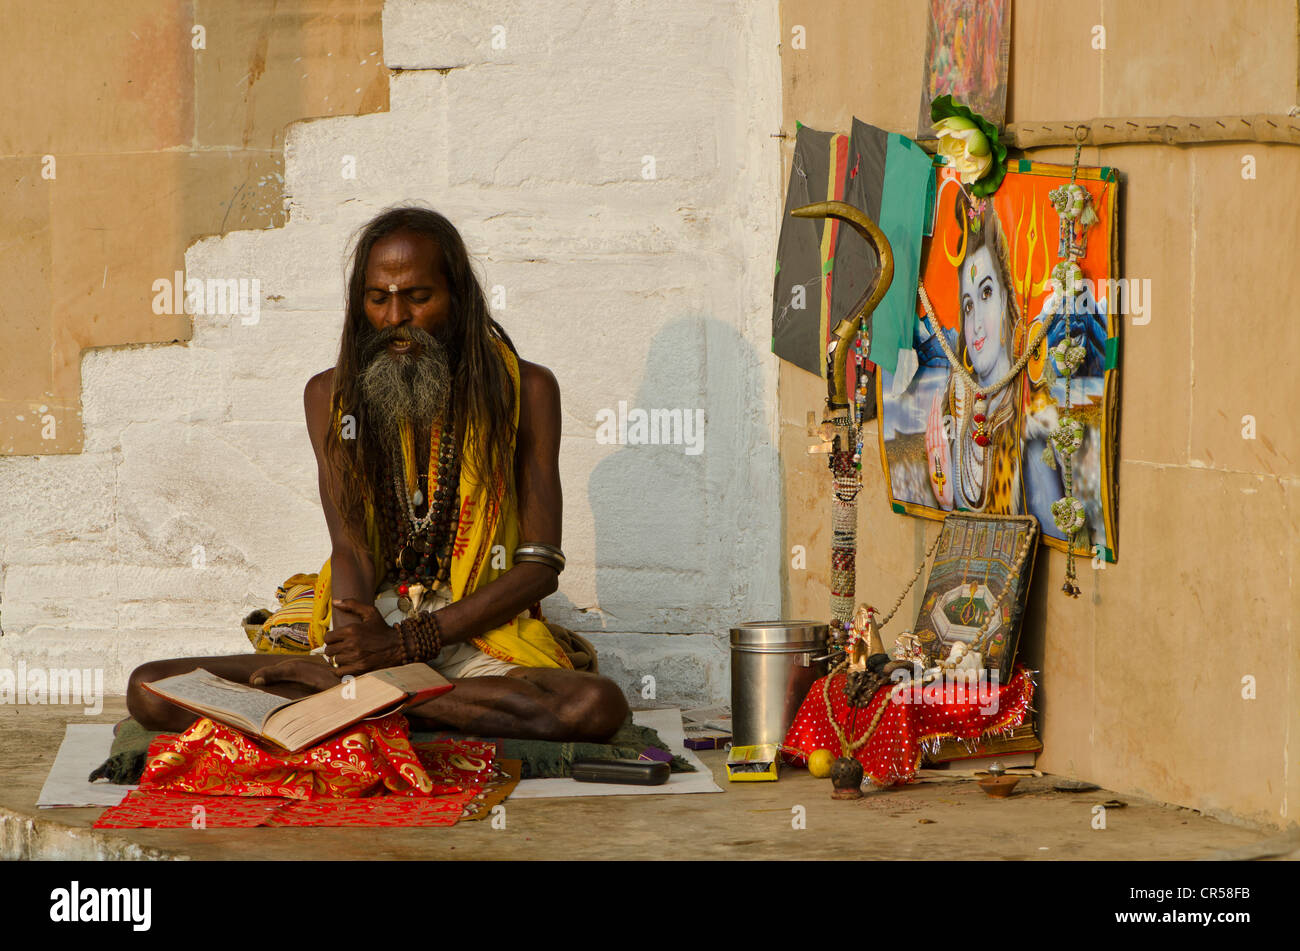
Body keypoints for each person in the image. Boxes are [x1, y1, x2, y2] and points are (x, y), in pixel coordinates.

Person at [128, 206, 629, 742]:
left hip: (476, 628)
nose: (395, 317)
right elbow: (351, 547)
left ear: (457, 298)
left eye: (417, 297)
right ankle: (384, 696)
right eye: (378, 298)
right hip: (371, 624)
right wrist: (354, 650)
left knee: (593, 705)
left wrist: (410, 646)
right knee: (151, 687)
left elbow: (538, 568)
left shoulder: (527, 390)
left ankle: (359, 704)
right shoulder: (329, 395)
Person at [923, 189, 1033, 514]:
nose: (976, 325)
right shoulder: (960, 406)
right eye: (968, 305)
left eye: (986, 293)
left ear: (1005, 301)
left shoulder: (1027, 418)